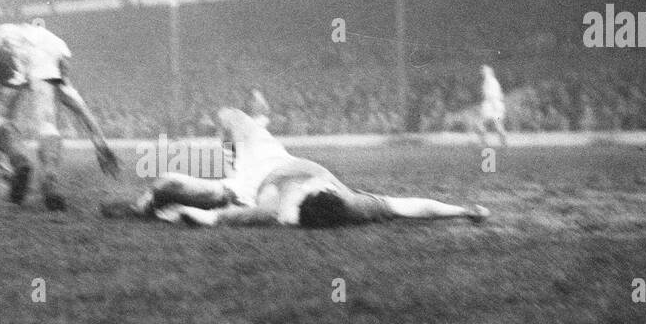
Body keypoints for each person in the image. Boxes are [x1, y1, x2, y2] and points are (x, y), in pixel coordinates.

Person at [105, 107, 489, 227]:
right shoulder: (351, 203)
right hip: (259, 163)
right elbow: (409, 206)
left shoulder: (282, 209)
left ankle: (142, 210)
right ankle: (147, 208)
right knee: (172, 187)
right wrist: (463, 210)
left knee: (169, 183)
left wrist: (185, 213)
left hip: (239, 189)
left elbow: (227, 218)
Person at [0, 18, 118, 210]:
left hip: (6, 49)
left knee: (1, 119)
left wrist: (1, 164)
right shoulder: (52, 43)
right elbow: (81, 109)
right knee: (47, 122)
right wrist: (101, 145)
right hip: (45, 51)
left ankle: (19, 162)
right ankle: (49, 179)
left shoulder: (4, 33)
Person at [477, 64, 509, 146]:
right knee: (497, 125)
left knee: (481, 124)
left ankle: (484, 142)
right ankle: (503, 142)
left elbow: (492, 95)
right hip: (495, 105)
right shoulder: (493, 81)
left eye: (483, 70)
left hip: (491, 105)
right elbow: (500, 94)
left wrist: (495, 106)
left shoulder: (489, 81)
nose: (481, 72)